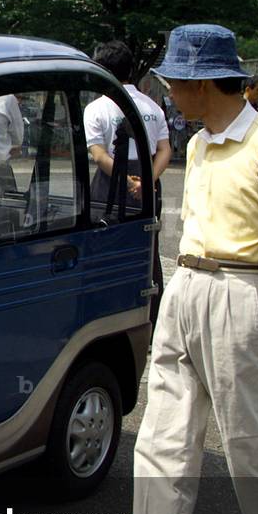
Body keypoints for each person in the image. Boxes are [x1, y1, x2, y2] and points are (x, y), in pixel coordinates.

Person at [81, 24, 258, 514]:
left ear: (202, 82)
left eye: (175, 84)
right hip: (185, 285)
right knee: (162, 441)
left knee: (247, 443)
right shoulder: (197, 144)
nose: (168, 94)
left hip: (238, 291)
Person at [84, 40, 172, 327]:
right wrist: (146, 181)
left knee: (105, 245)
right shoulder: (153, 107)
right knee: (148, 247)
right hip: (148, 178)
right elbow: (164, 149)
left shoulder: (97, 108)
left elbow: (98, 155)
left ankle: (107, 314)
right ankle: (150, 314)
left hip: (110, 182)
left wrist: (126, 180)